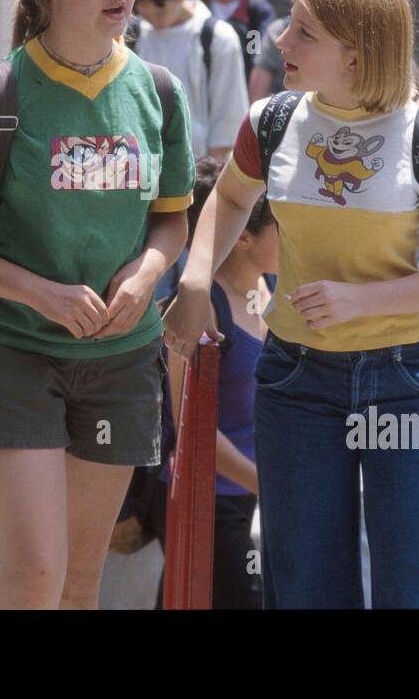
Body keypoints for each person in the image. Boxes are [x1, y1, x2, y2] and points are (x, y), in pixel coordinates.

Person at [162, 0, 419, 609]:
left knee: (415, 594)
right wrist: (195, 280)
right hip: (298, 384)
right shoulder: (271, 122)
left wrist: (361, 301)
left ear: (357, 55)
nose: (280, 40)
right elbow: (227, 202)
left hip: (410, 385)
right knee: (306, 590)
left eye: (304, 32)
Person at [0, 0, 195, 610]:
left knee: (82, 579)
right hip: (9, 352)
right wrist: (41, 292)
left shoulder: (160, 93)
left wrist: (147, 276)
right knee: (35, 574)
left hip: (119, 360)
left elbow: (173, 222)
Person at [134, 155, 275, 609]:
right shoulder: (201, 309)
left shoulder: (270, 291)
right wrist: (269, 484)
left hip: (244, 497)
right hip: (201, 499)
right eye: (281, 225)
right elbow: (191, 426)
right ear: (246, 236)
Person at [133, 0, 247, 160]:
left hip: (197, 165)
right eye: (145, 14)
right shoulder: (134, 35)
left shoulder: (217, 37)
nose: (153, 21)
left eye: (159, 13)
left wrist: (211, 176)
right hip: (140, 163)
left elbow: (228, 119)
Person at [251, 0, 353, 101]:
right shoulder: (278, 30)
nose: (282, 42)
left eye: (306, 33)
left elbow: (257, 94)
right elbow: (257, 96)